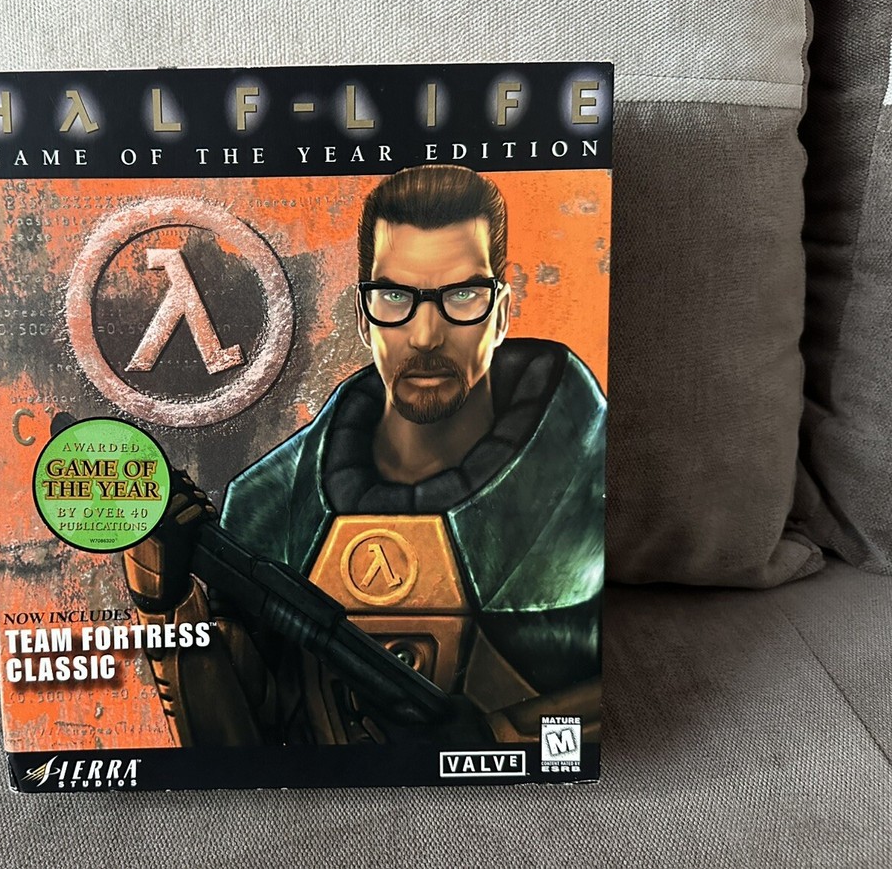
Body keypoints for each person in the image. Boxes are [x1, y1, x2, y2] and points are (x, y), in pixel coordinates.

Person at [124, 165, 605, 747]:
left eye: (462, 296)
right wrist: (166, 605)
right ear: (363, 315)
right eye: (396, 297)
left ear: (501, 313)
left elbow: (620, 714)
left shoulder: (590, 472)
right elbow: (240, 747)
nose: (426, 335)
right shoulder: (268, 505)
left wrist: (502, 738)